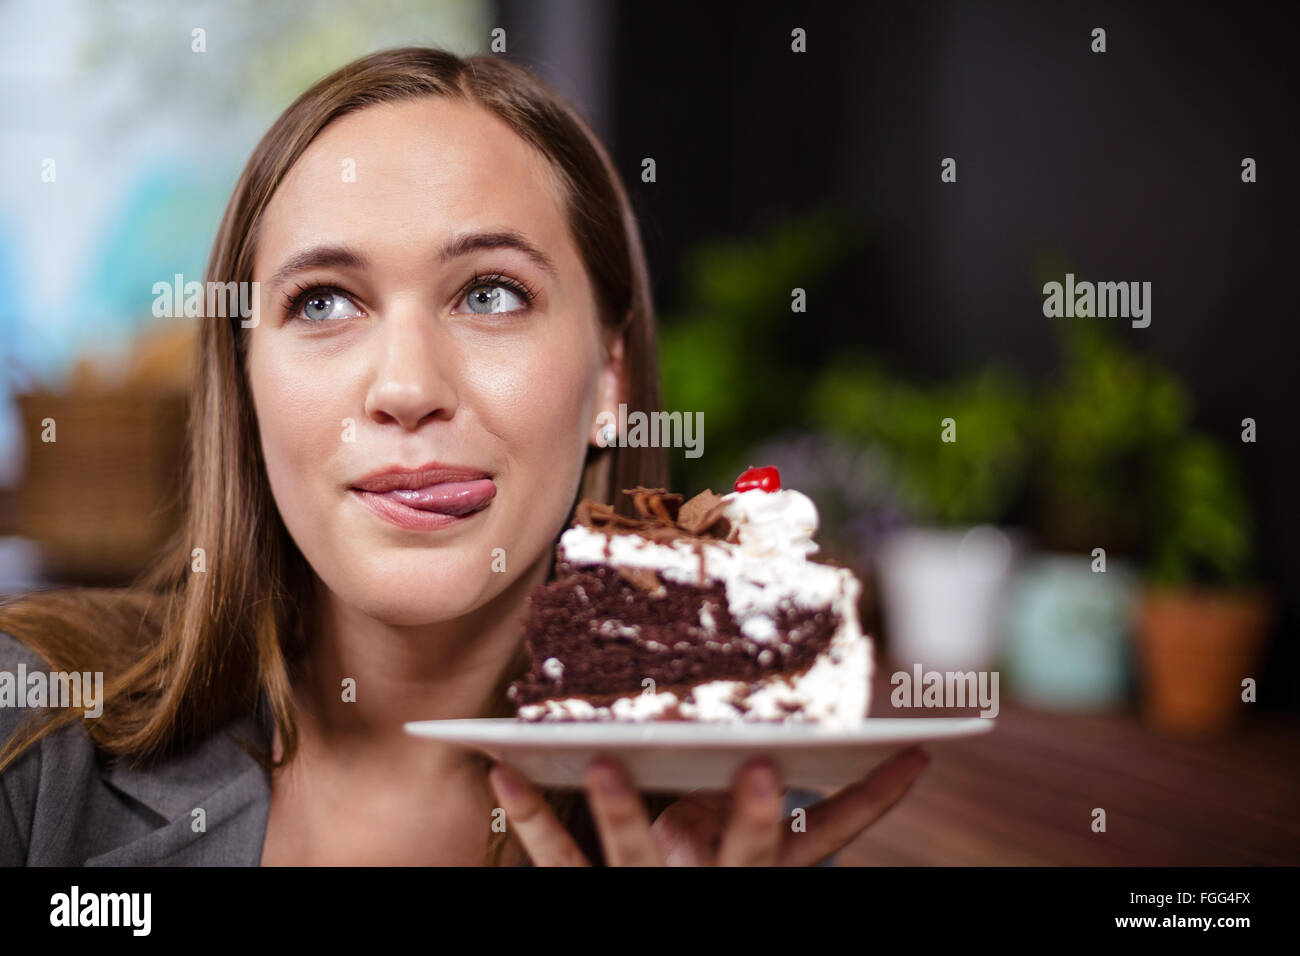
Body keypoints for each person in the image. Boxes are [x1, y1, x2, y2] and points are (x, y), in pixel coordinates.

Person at [0, 46, 928, 866]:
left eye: (490, 294)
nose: (407, 387)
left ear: (609, 379)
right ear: (244, 385)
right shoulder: (30, 727)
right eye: (323, 301)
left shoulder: (732, 822)